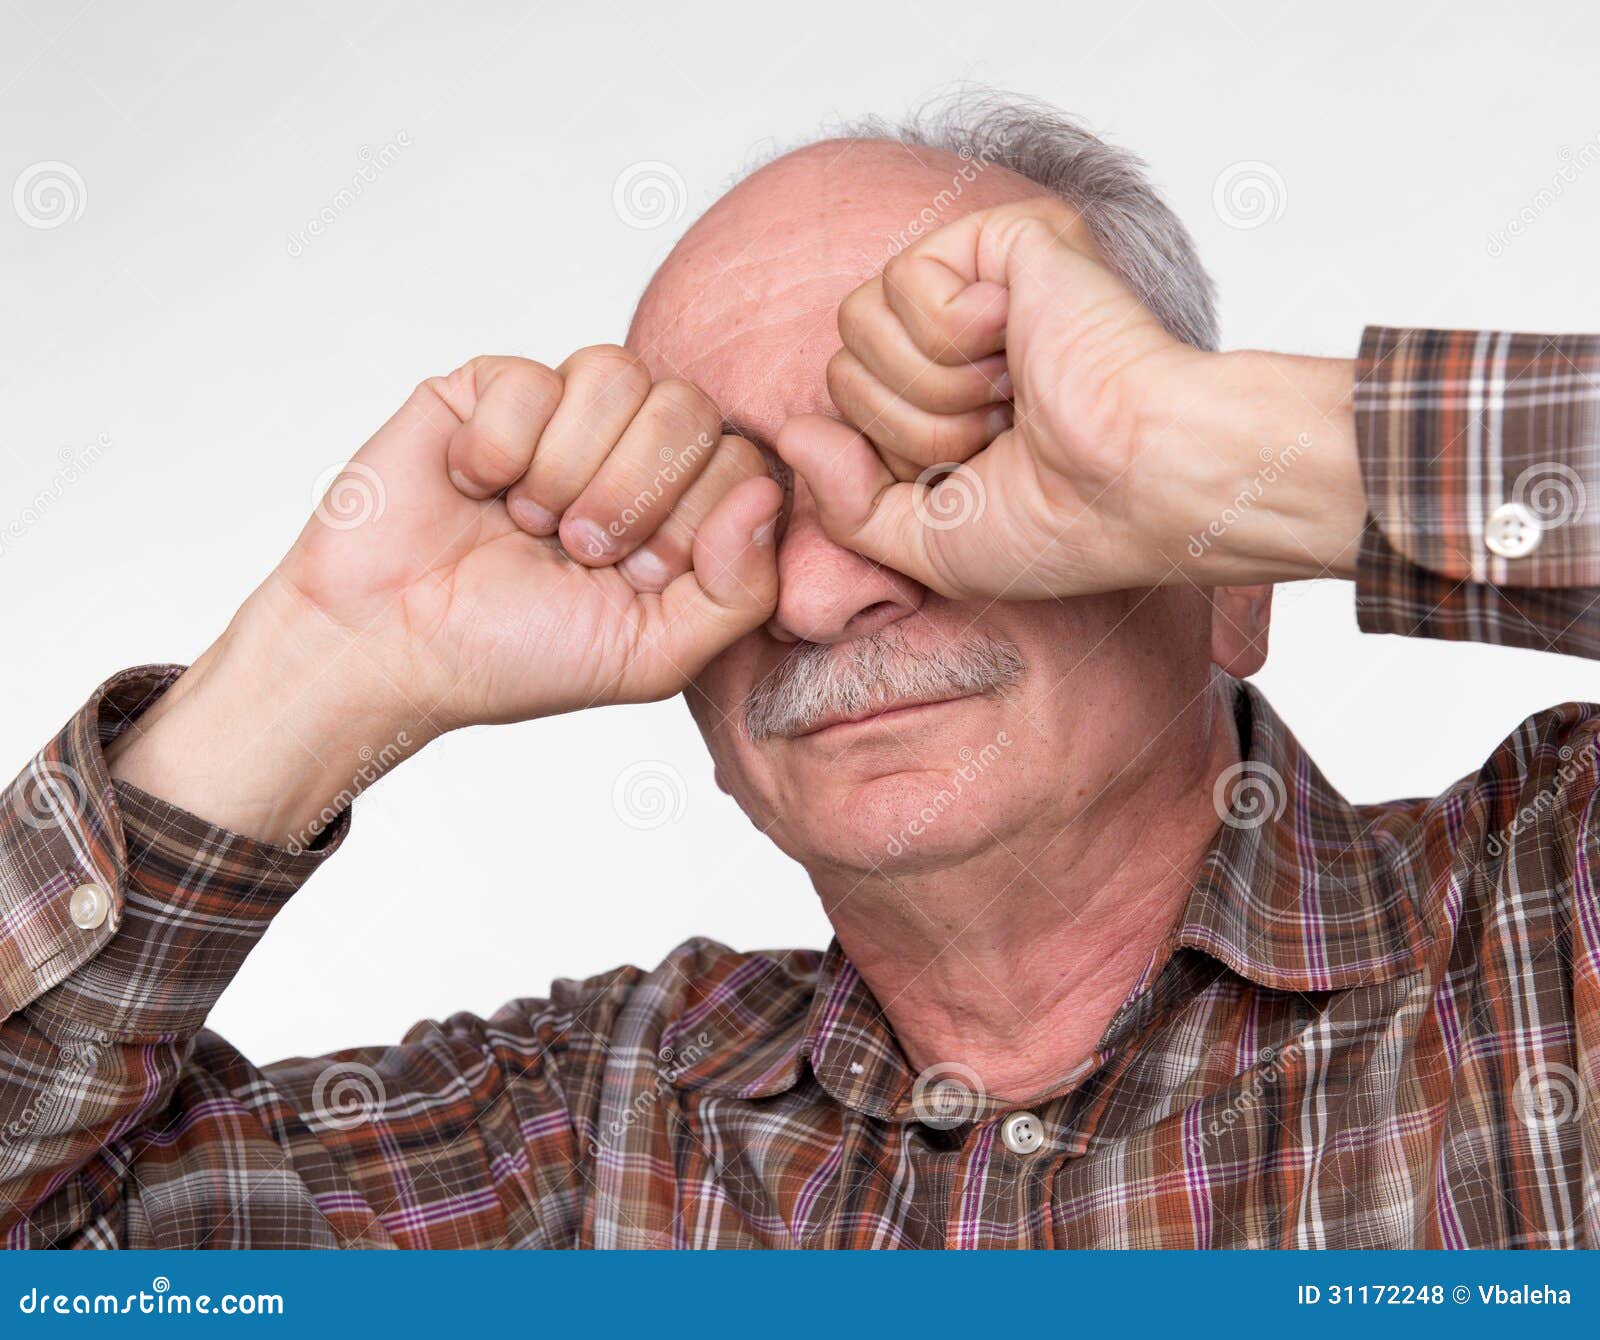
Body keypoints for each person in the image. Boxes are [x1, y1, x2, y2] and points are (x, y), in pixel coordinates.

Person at [2, 97, 1595, 1249]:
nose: (825, 594)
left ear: (1229, 581)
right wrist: (329, 666)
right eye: (743, 508)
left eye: (949, 464)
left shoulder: (1548, 928)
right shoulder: (576, 1145)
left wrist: (1257, 460)